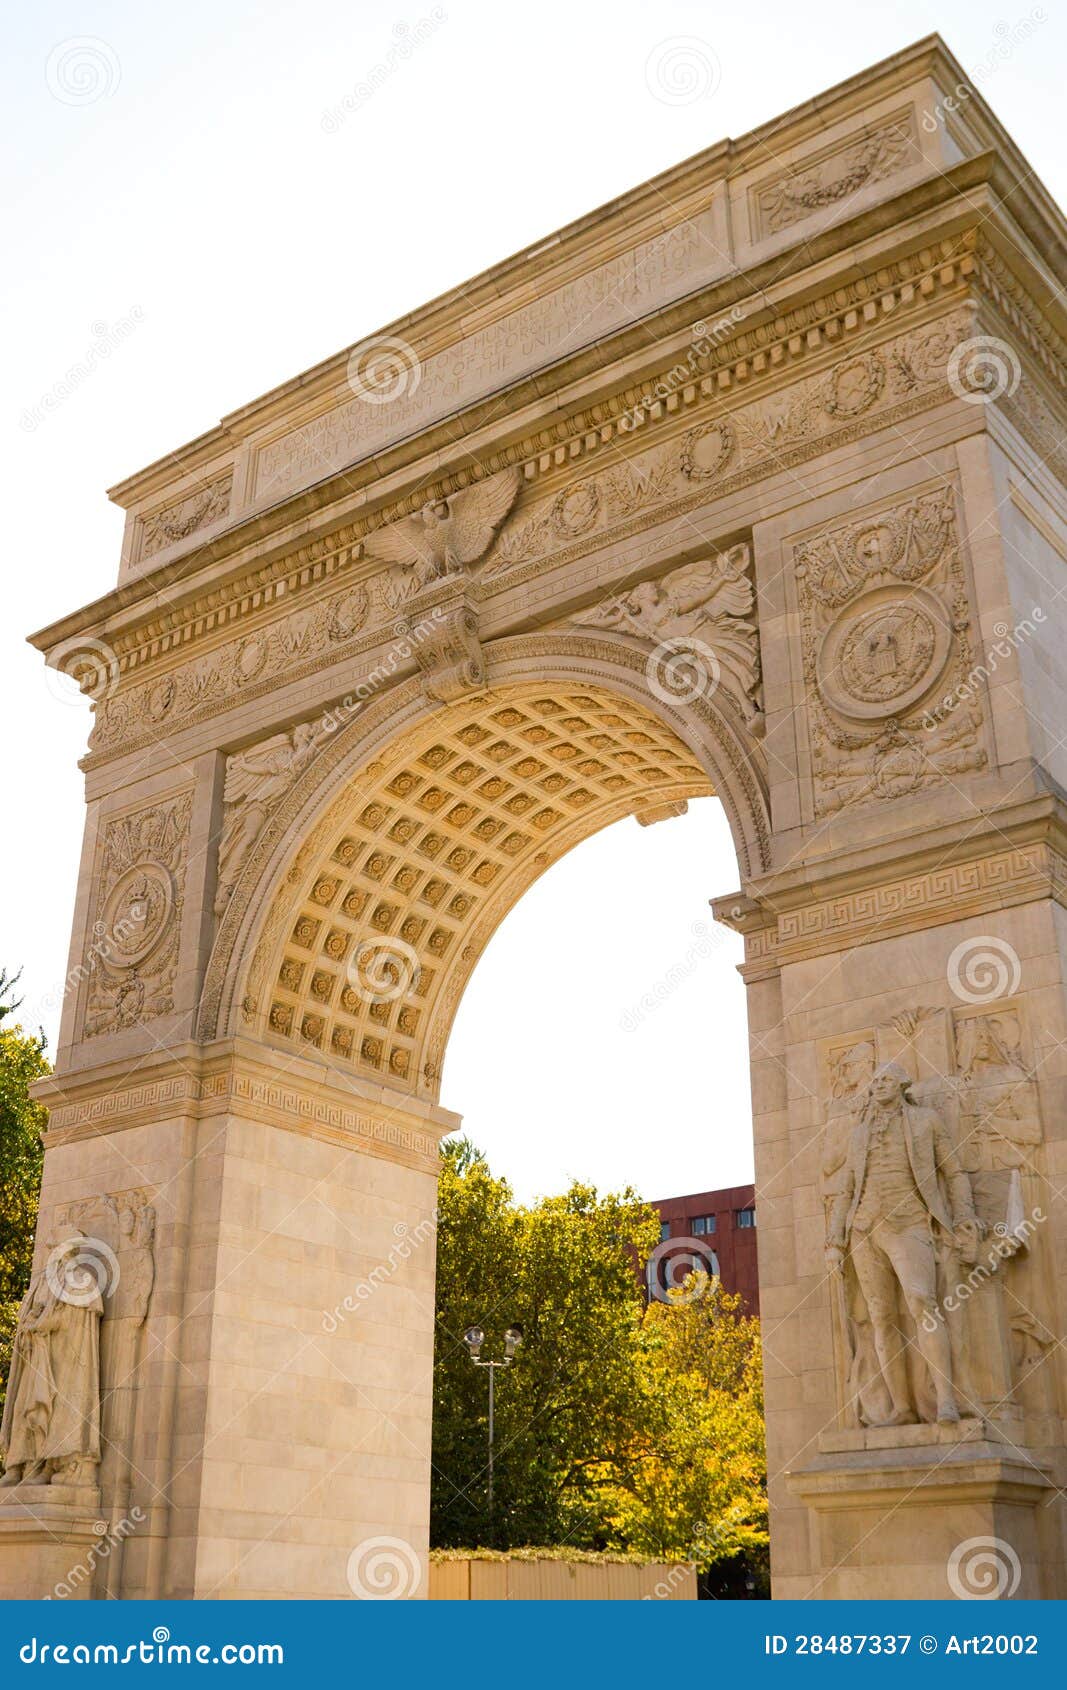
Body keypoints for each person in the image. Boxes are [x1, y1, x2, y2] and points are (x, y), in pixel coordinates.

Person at [826, 1062, 983, 1425]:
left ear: (901, 1085)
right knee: (880, 1318)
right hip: (864, 1230)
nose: (878, 1085)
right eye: (875, 1081)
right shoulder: (860, 1133)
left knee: (921, 1301)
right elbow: (846, 1189)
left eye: (885, 1079)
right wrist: (835, 1240)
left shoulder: (925, 1120)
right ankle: (902, 1408)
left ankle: (945, 1400)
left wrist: (963, 1216)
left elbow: (954, 1172)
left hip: (910, 1222)